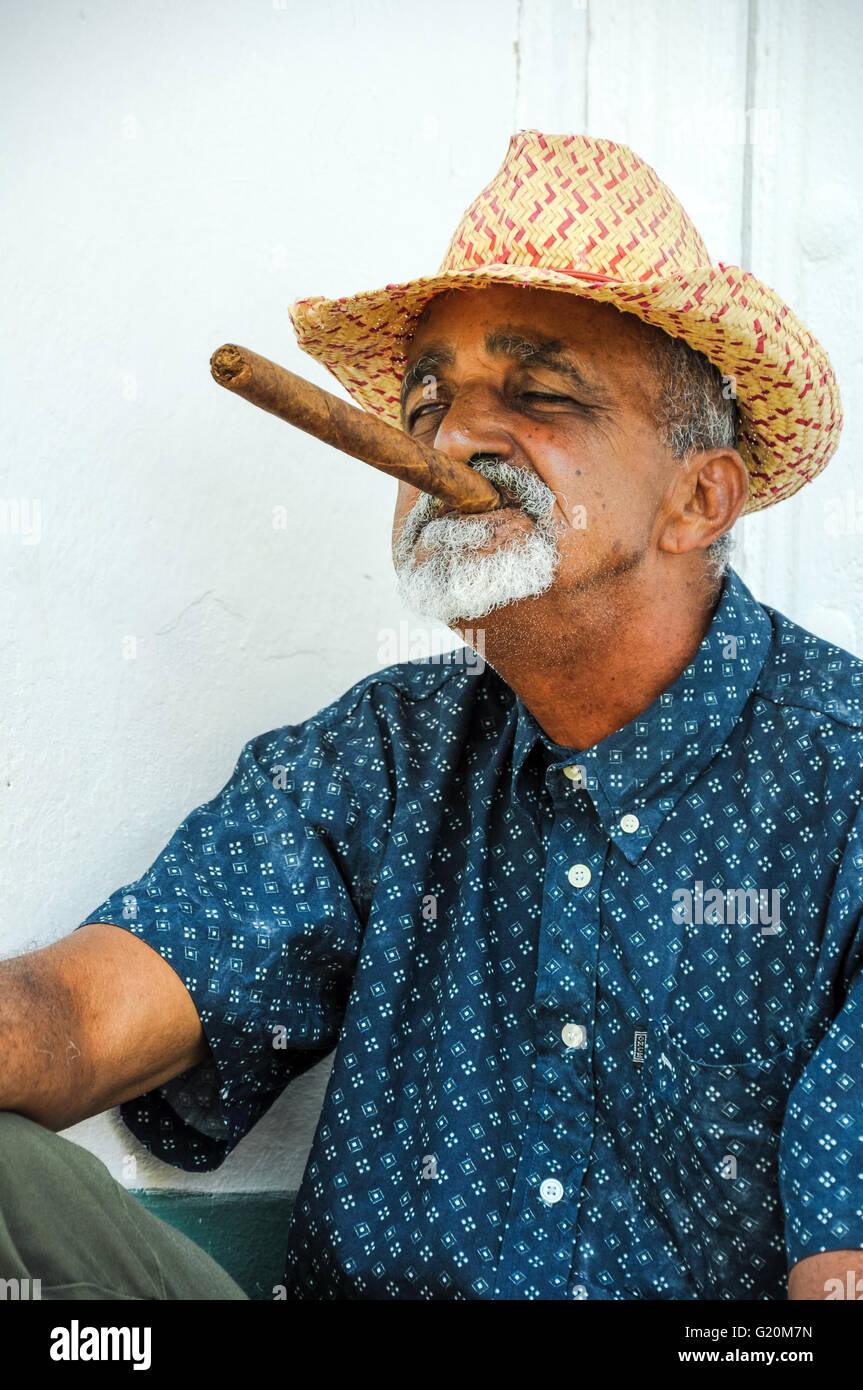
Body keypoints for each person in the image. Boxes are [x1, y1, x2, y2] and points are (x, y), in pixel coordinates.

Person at [1, 130, 860, 1301]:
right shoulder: (388, 754)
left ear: (696, 498)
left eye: (537, 394)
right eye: (427, 401)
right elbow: (81, 1014)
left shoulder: (841, 783)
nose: (447, 440)